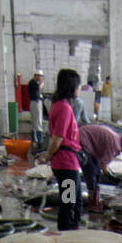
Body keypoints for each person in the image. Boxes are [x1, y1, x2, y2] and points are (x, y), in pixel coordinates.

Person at [35, 68, 83, 231]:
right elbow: (57, 138)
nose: (79, 89)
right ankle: (65, 239)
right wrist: (47, 156)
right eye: (78, 86)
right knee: (69, 203)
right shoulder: (63, 107)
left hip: (68, 163)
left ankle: (72, 235)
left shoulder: (59, 105)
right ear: (71, 87)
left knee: (75, 202)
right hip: (66, 164)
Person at [78, 123, 122, 208]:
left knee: (95, 171)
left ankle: (94, 199)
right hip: (82, 139)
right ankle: (93, 203)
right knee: (91, 170)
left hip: (85, 137)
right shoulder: (114, 145)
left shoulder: (116, 139)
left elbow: (101, 162)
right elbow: (103, 164)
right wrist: (112, 177)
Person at [28, 70, 45, 150]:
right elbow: (38, 88)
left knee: (37, 120)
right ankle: (38, 139)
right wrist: (41, 83)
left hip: (37, 102)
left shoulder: (33, 83)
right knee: (37, 120)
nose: (41, 78)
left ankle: (36, 138)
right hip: (35, 102)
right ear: (36, 76)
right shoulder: (33, 83)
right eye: (40, 76)